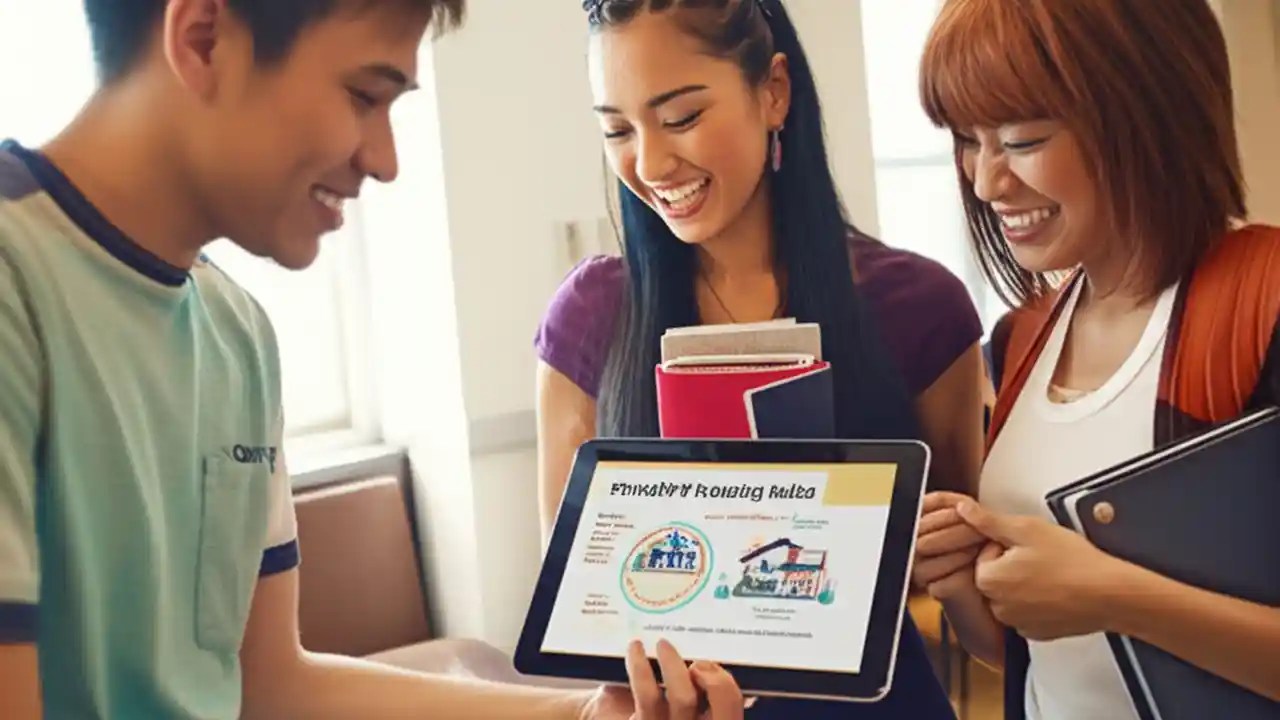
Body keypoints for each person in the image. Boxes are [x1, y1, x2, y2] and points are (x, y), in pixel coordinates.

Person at [0, 1, 747, 718]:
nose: (384, 161)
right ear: (202, 39)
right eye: (364, 95)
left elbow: (269, 686)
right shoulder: (17, 287)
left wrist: (584, 714)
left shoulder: (236, 333)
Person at [535, 0, 986, 716]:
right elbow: (585, 623)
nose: (649, 164)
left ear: (773, 92)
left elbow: (982, 619)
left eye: (681, 117)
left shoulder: (917, 306)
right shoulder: (590, 317)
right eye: (617, 129)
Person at [909, 0, 1280, 718]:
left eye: (1021, 139)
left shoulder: (1262, 310)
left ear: (1145, 112)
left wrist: (1114, 594)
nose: (986, 183)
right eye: (967, 140)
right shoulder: (1020, 339)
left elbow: (1102, 612)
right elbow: (1041, 653)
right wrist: (961, 581)